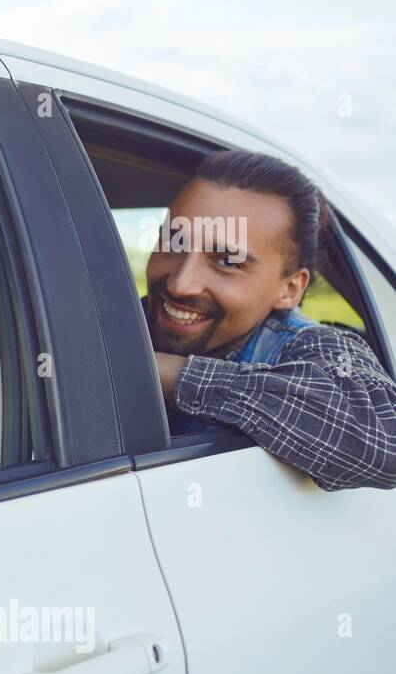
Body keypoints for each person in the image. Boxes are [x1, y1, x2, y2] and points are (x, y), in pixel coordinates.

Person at [147, 149, 396, 490]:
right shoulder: (109, 317)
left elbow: (382, 442)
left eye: (227, 262)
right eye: (174, 242)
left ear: (290, 289)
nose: (179, 283)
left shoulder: (311, 346)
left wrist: (162, 371)